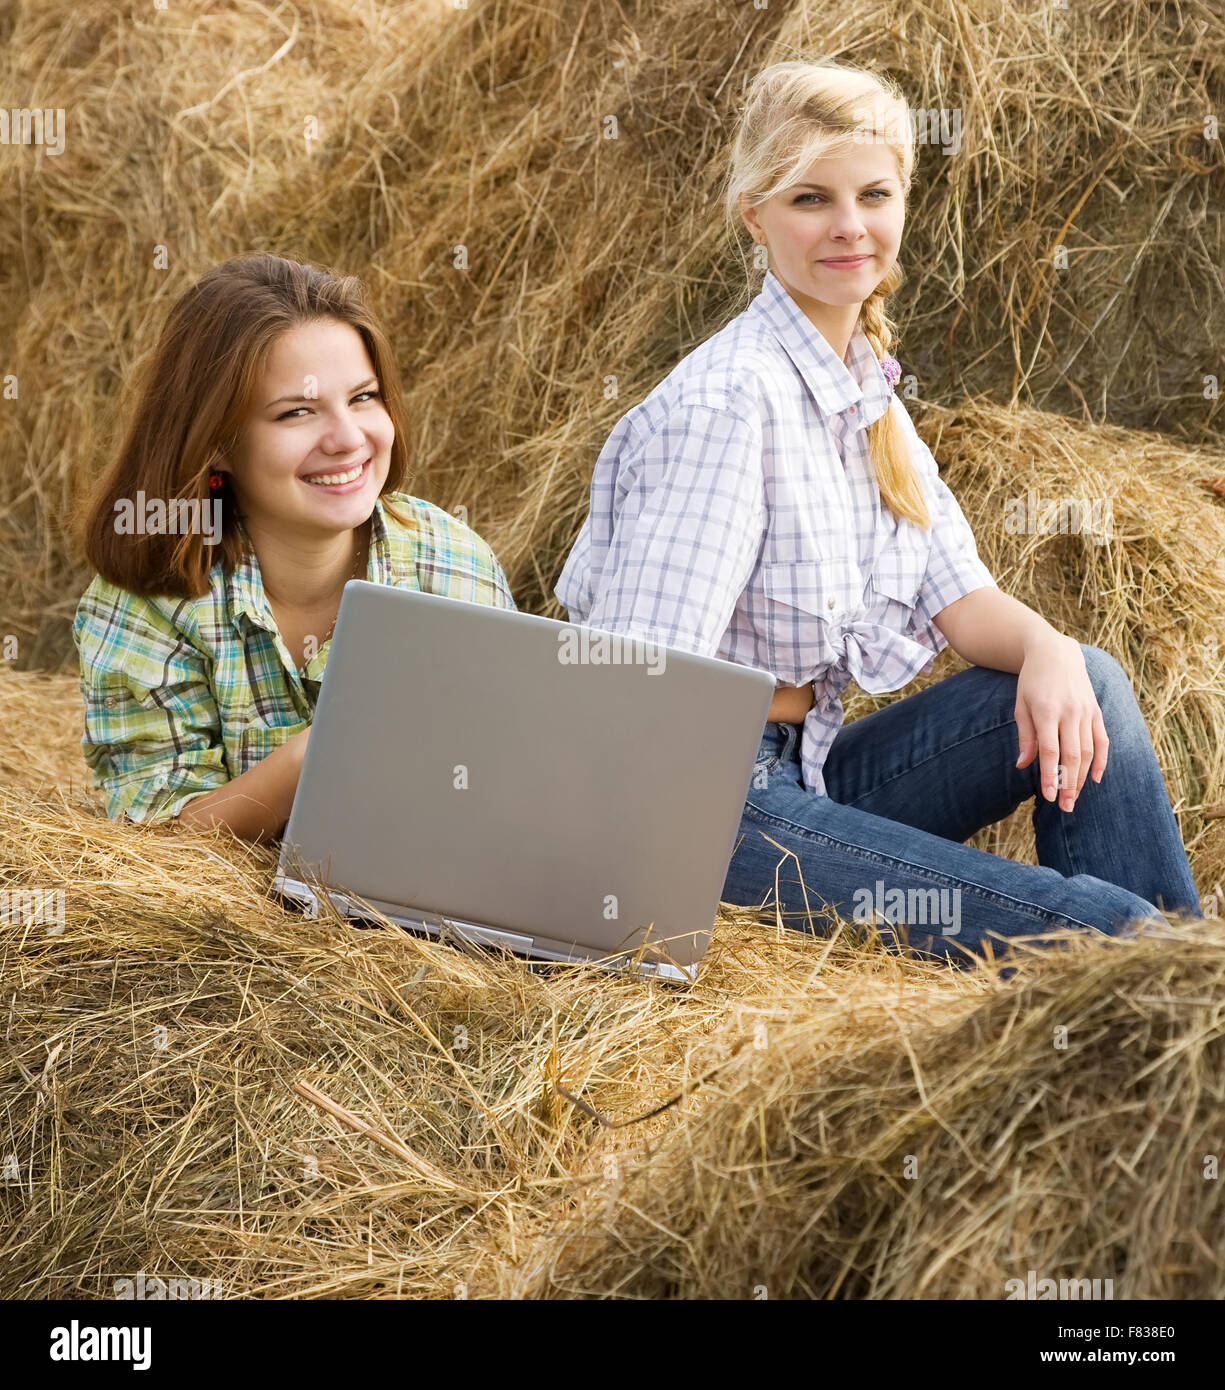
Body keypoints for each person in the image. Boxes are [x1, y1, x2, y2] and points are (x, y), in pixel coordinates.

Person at [554, 60, 1201, 965]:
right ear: (755, 216)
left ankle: (1173, 1019)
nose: (849, 226)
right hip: (696, 806)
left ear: (904, 201)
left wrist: (1050, 649)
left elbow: (961, 600)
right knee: (1103, 939)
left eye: (874, 193)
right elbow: (636, 693)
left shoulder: (867, 396)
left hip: (802, 771)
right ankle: (1177, 993)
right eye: (810, 199)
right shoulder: (731, 408)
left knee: (1083, 680)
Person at [73, 254, 515, 843]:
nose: (348, 439)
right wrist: (326, 751)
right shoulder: (147, 601)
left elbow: (506, 791)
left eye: (363, 398)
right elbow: (159, 849)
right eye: (297, 412)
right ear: (218, 443)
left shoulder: (454, 565)